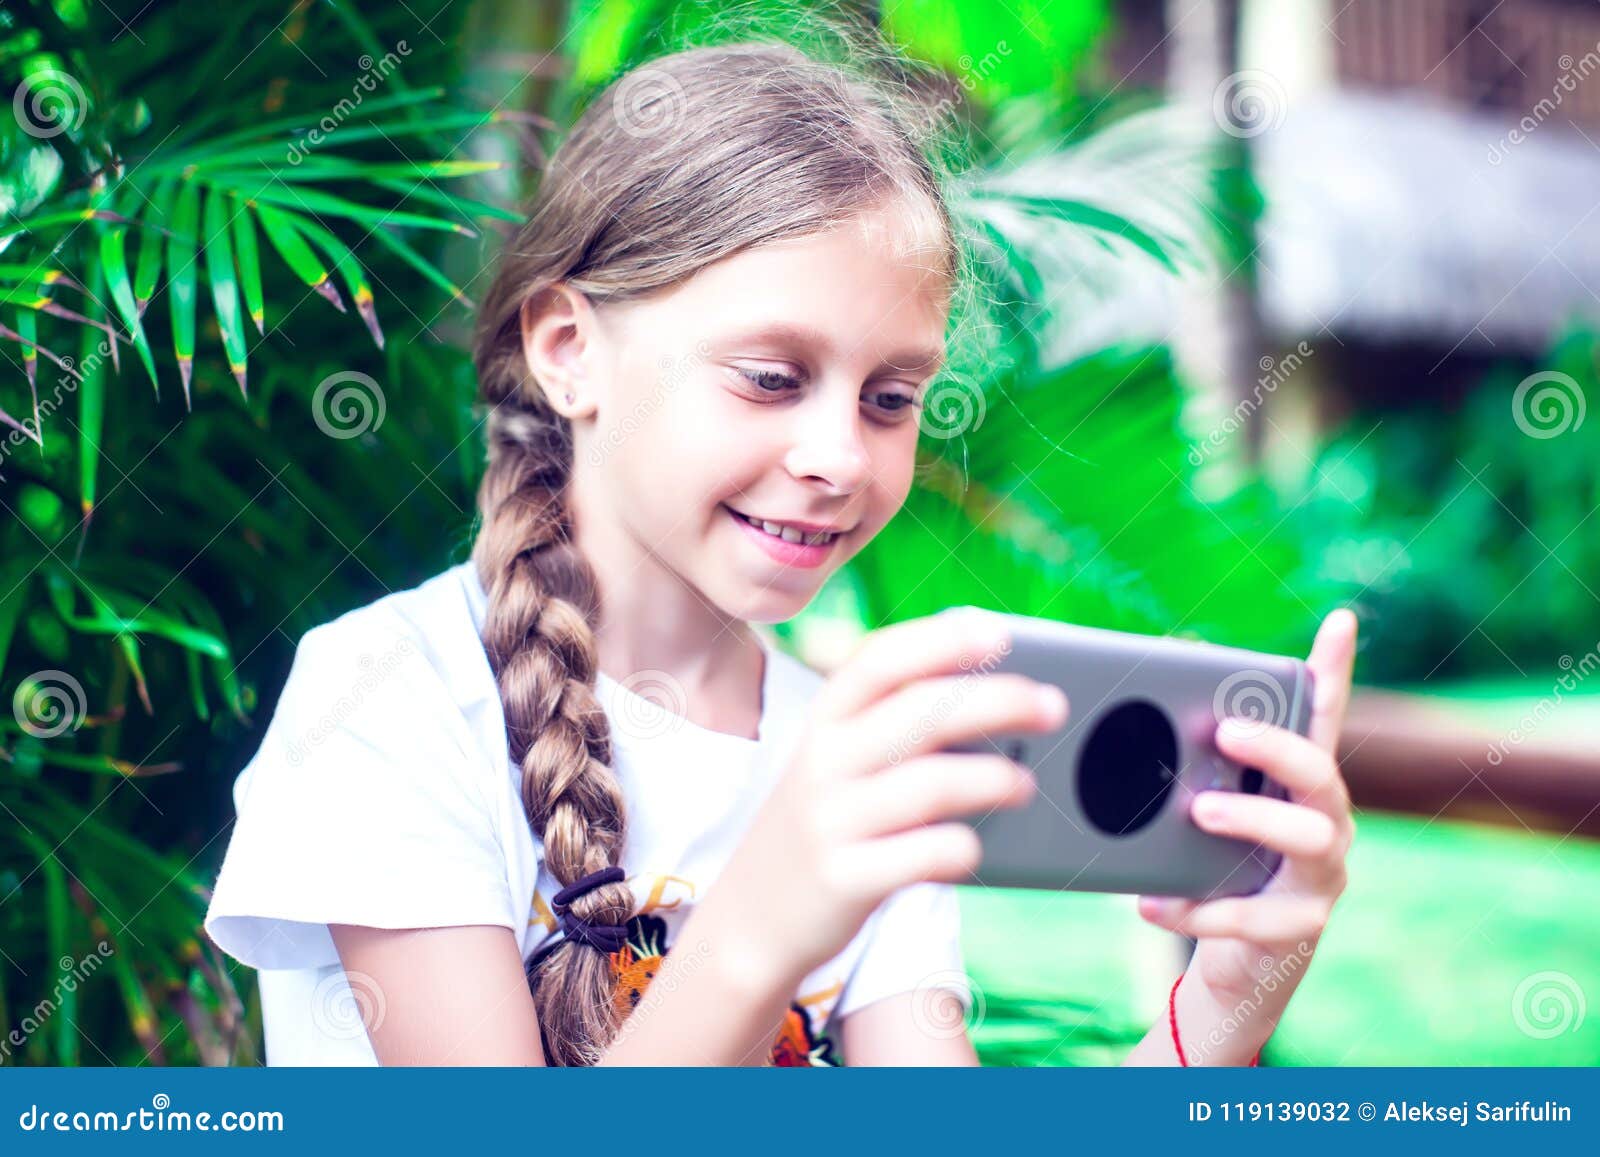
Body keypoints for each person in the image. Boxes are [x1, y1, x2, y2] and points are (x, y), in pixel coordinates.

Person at [203, 35, 1358, 1067]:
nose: (840, 457)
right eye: (770, 377)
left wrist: (1219, 1008)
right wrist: (771, 913)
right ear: (568, 348)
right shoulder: (390, 696)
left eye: (892, 398)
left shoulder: (846, 748)